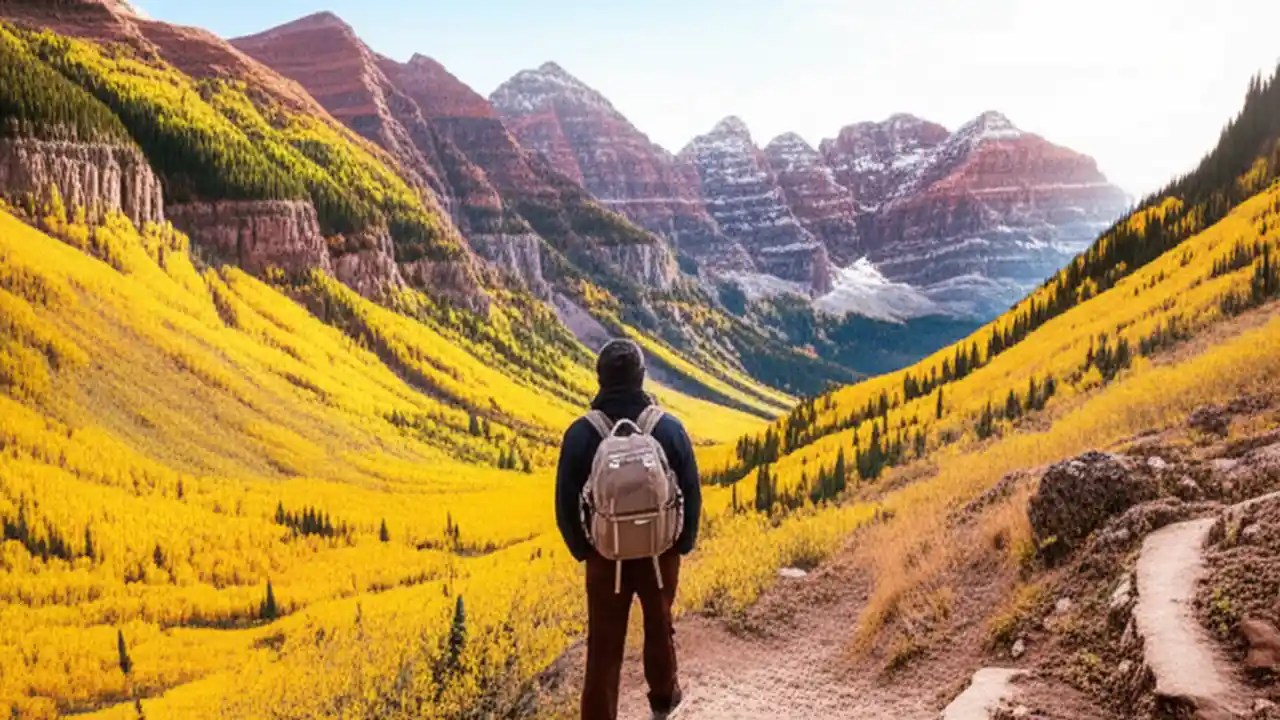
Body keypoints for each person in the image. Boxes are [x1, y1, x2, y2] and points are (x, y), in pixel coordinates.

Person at [556, 339, 702, 720]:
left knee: (603, 647)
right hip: (659, 553)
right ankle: (663, 704)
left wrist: (585, 550)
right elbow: (691, 488)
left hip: (606, 558)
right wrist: (682, 544)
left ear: (600, 378)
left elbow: (564, 503)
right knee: (659, 626)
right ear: (641, 377)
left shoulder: (582, 434)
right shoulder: (668, 428)